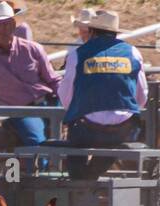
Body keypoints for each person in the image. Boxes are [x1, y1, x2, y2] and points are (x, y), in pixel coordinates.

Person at [58, 9, 147, 180]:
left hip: (87, 128)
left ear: (91, 31)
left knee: (75, 135)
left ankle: (79, 179)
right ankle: (91, 174)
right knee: (116, 140)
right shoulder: (133, 52)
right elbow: (141, 96)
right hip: (123, 129)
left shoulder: (78, 54)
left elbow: (66, 95)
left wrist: (79, 109)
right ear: (115, 33)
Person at [0, 2, 60, 151]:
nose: (3, 29)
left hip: (48, 102)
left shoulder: (33, 49)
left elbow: (53, 80)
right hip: (20, 110)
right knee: (37, 142)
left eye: (7, 24)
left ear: (14, 24)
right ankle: (41, 172)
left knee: (76, 133)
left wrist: (68, 102)